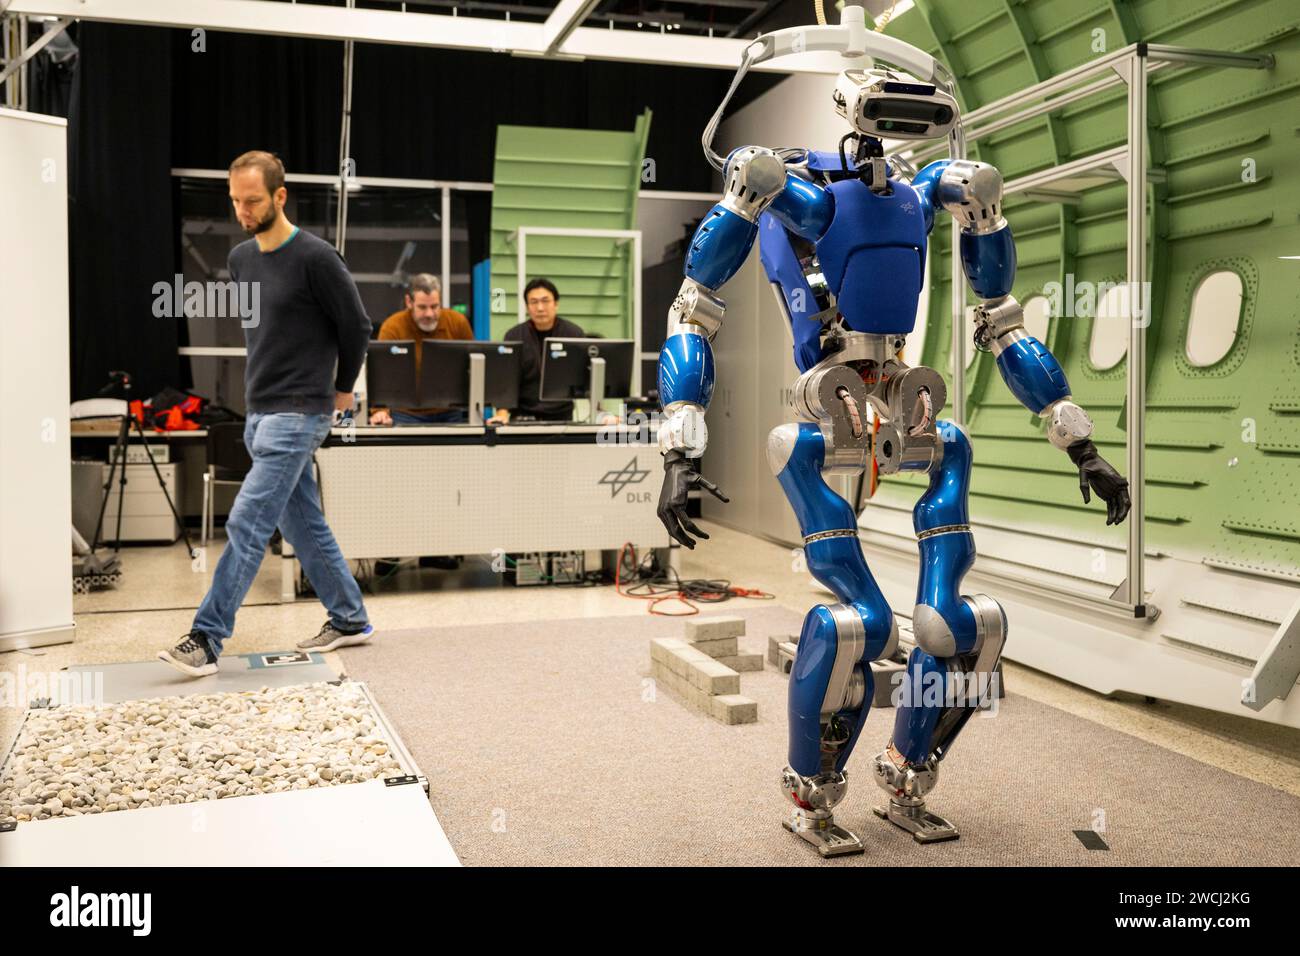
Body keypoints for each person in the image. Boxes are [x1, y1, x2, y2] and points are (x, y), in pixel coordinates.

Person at [159, 150, 374, 678]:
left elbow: (357, 326)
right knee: (303, 523)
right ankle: (350, 618)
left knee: (247, 520)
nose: (242, 210)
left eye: (252, 200)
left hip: (301, 411)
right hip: (260, 411)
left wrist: (343, 389)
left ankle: (207, 639)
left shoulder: (318, 258)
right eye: (235, 201)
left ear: (280, 196)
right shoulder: (241, 259)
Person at [369, 273, 474, 425]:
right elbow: (381, 374)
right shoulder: (393, 327)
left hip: (450, 411)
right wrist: (380, 411)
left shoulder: (457, 323)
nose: (430, 314)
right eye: (422, 307)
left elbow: (472, 365)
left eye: (435, 306)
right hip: (406, 412)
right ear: (409, 302)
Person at [488, 277, 587, 424]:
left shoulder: (573, 334)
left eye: (545, 301)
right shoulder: (514, 336)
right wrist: (502, 414)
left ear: (556, 304)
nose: (540, 308)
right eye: (534, 302)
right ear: (527, 307)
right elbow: (505, 380)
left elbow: (587, 377)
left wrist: (601, 412)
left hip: (561, 416)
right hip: (523, 415)